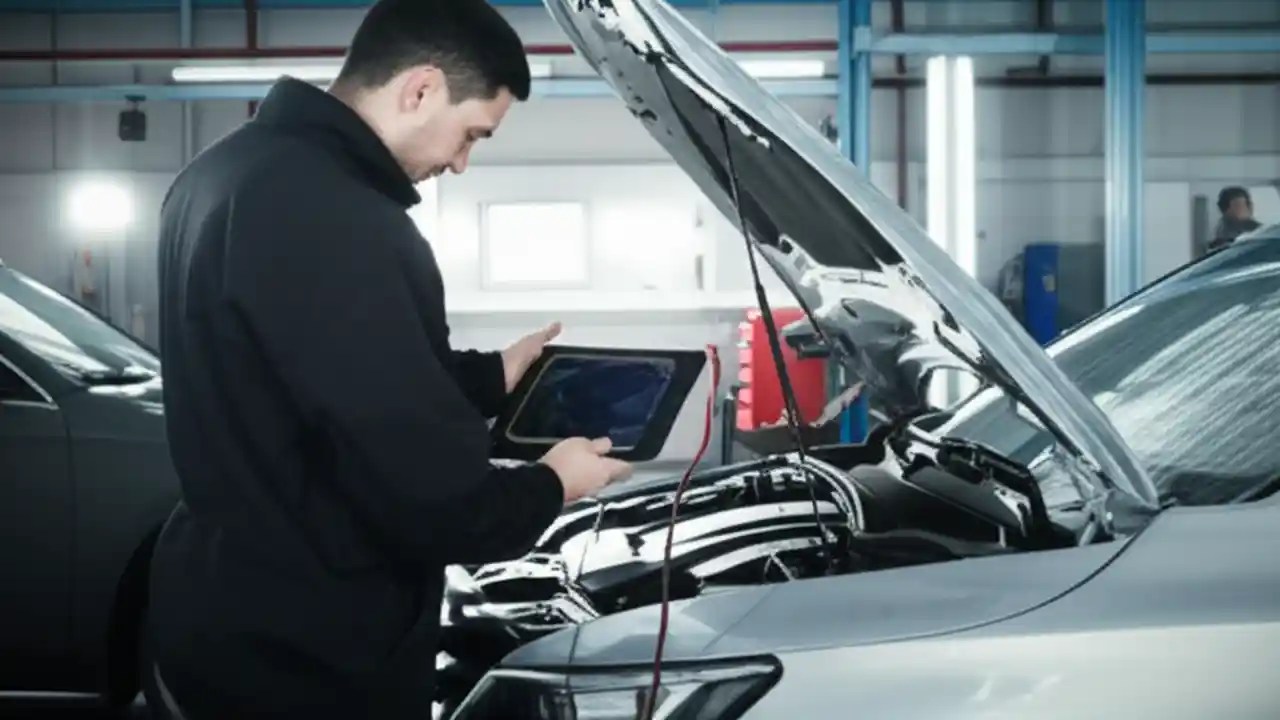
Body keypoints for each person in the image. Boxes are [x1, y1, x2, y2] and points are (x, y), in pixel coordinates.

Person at [146, 1, 632, 717]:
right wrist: (551, 485)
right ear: (421, 89)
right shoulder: (345, 219)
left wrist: (489, 375)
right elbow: (432, 502)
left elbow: (301, 383)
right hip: (311, 649)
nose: (461, 164)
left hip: (223, 609)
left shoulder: (220, 175)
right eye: (472, 135)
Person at [1208, 185, 1262, 252]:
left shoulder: (1261, 230)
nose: (1247, 208)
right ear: (1227, 210)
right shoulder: (1222, 235)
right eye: (1239, 205)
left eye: (1248, 203)